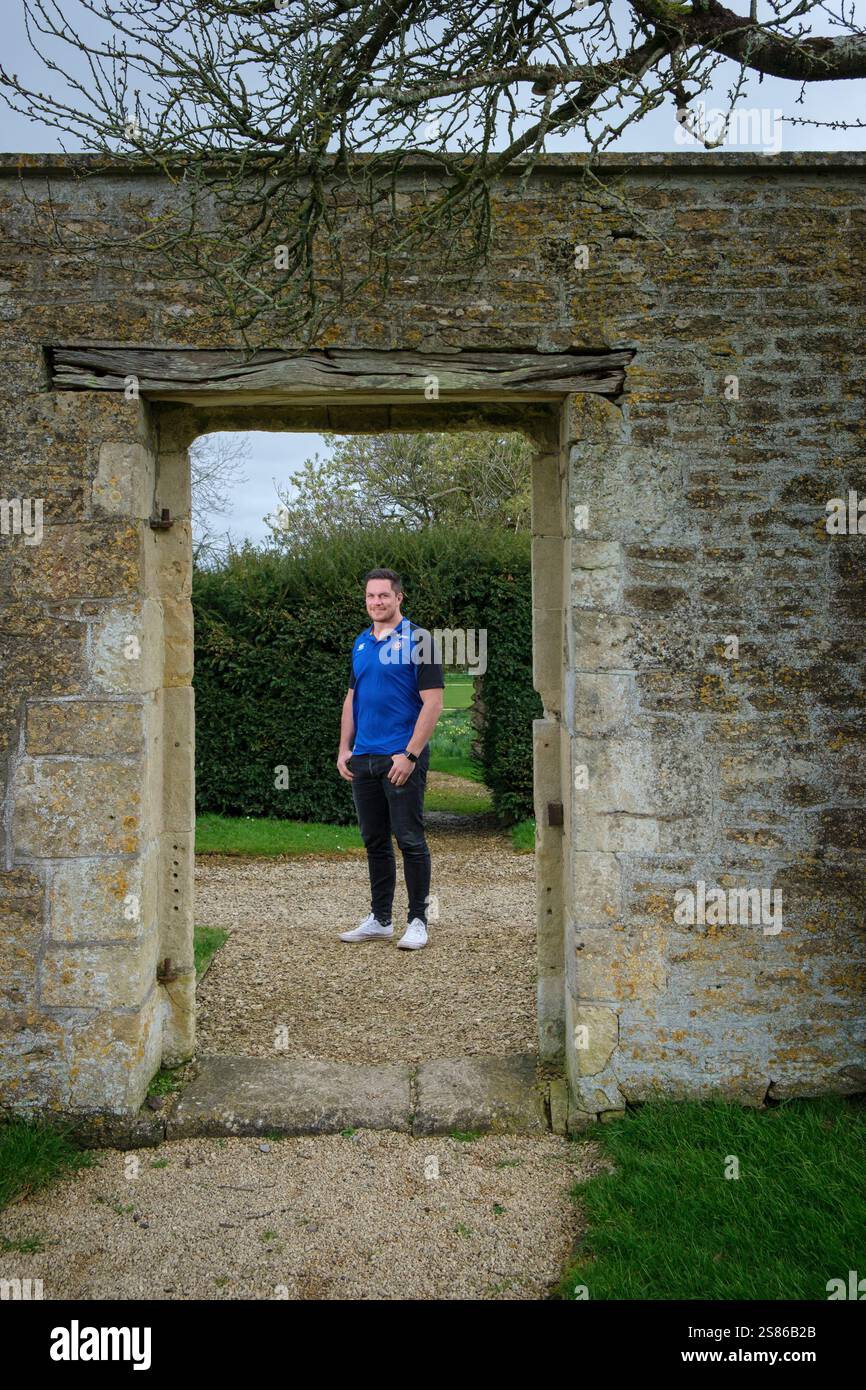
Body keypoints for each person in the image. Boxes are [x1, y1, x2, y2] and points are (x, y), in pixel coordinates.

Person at [336, 568, 444, 950]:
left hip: (400, 758)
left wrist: (411, 755)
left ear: (399, 598)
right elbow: (353, 698)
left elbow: (434, 703)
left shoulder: (421, 640)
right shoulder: (361, 642)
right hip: (363, 757)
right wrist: (343, 749)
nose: (376, 602)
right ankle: (381, 919)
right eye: (370, 596)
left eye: (383, 595)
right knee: (374, 840)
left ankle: (418, 921)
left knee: (410, 840)